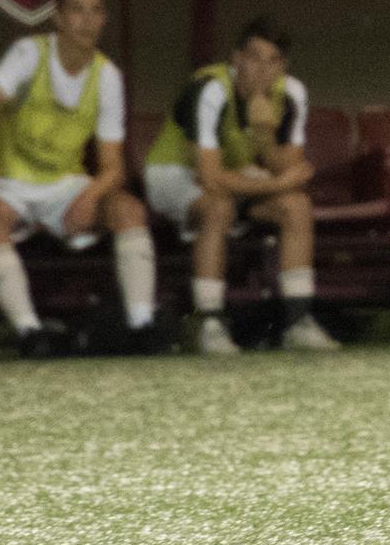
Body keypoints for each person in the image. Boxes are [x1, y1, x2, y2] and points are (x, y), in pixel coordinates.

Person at [0, 0, 161, 355]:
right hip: (8, 182)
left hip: (63, 186)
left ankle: (141, 326)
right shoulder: (28, 54)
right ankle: (29, 332)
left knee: (129, 209)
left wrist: (89, 196)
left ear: (104, 19)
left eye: (96, 11)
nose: (87, 20)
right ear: (58, 18)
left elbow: (113, 166)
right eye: (77, 10)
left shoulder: (108, 76)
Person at [144, 18, 338, 354]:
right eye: (254, 57)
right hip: (173, 174)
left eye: (273, 60)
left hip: (234, 174)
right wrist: (279, 182)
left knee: (296, 205)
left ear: (283, 66)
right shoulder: (209, 89)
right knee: (217, 207)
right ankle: (208, 323)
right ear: (236, 58)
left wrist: (264, 136)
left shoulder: (291, 94)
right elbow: (209, 177)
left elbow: (287, 166)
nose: (262, 69)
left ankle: (297, 321)